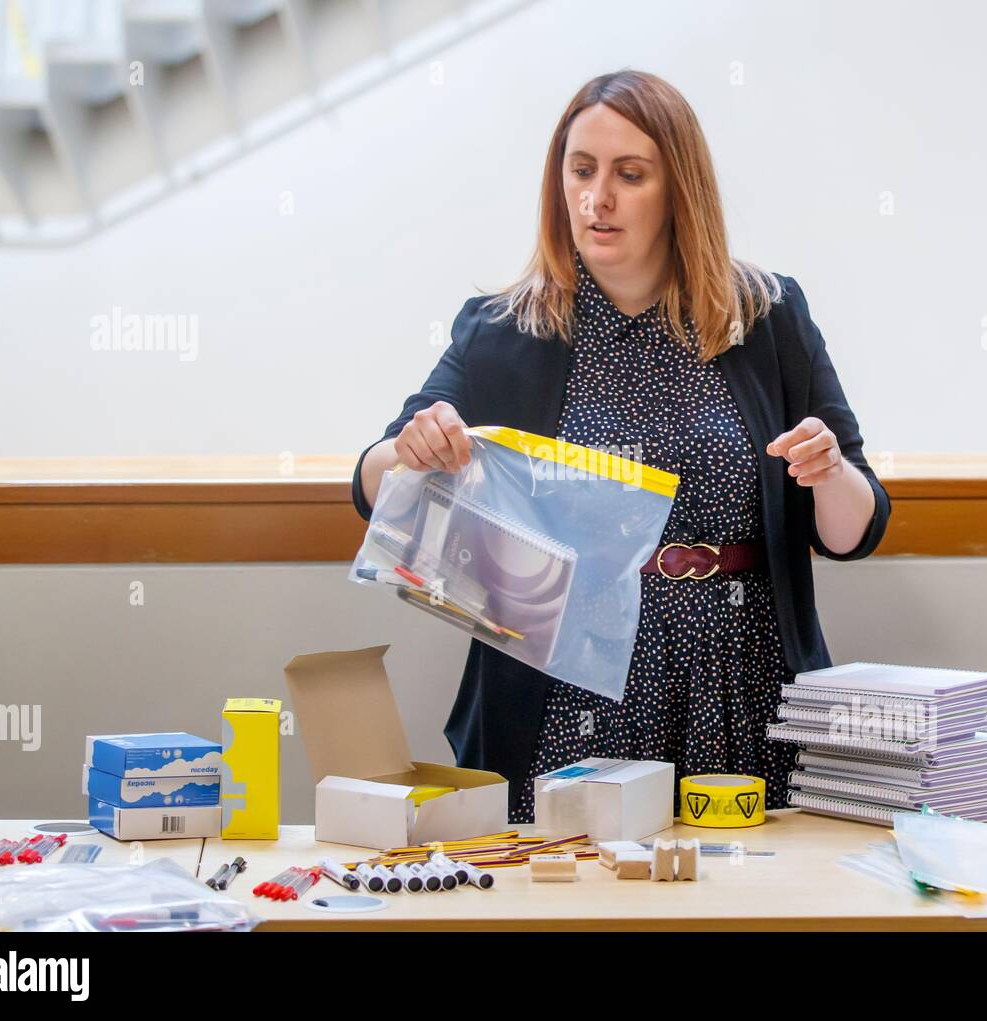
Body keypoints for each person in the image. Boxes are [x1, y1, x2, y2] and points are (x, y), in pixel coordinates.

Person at [353, 69, 891, 823]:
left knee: (753, 893)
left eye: (629, 175)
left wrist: (827, 470)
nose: (596, 198)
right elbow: (372, 482)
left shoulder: (767, 315)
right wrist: (409, 449)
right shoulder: (505, 329)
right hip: (565, 689)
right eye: (581, 170)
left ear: (679, 191)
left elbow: (855, 530)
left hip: (739, 678)